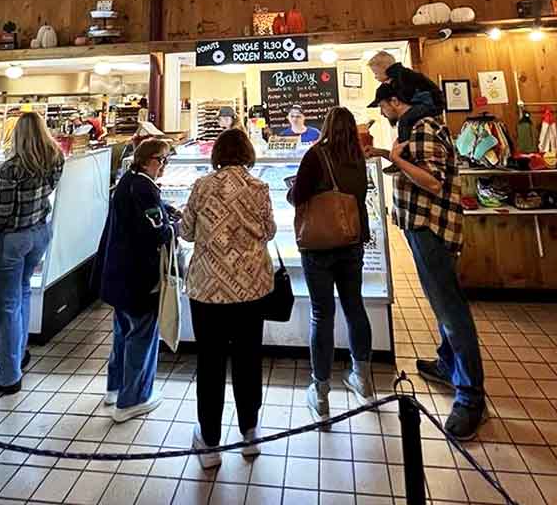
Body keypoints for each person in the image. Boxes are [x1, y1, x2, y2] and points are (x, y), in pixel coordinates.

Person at [367, 82, 486, 441]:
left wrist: (396, 158)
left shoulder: (424, 127)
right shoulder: (416, 126)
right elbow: (417, 167)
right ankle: (448, 364)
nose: (381, 113)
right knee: (441, 305)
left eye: (382, 106)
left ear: (394, 100)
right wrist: (386, 154)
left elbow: (432, 181)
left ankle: (470, 398)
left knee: (451, 310)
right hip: (422, 227)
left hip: (431, 228)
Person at [181, 129, 276, 469]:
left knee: (210, 363)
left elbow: (186, 232)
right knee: (248, 359)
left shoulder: (202, 186)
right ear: (247, 153)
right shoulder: (259, 187)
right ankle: (250, 434)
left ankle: (210, 443)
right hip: (250, 289)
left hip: (208, 290)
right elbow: (269, 231)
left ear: (217, 154)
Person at [288, 107, 373, 423]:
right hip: (352, 241)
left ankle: (321, 393)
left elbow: (298, 196)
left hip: (319, 245)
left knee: (322, 315)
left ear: (325, 127)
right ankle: (362, 379)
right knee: (355, 307)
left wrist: (291, 189)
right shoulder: (358, 157)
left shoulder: (316, 155)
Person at [0, 112, 64, 395]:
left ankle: (7, 375)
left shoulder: (11, 169)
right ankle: (19, 352)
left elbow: (4, 213)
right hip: (39, 233)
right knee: (23, 292)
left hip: (11, 240)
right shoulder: (56, 159)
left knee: (6, 306)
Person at [95, 138, 174, 422]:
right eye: (161, 160)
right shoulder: (144, 187)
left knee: (123, 332)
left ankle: (115, 388)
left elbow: (145, 213)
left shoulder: (128, 181)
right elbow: (156, 230)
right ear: (147, 160)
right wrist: (174, 227)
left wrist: (166, 209)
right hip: (138, 275)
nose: (164, 166)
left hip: (118, 274)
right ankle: (133, 400)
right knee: (141, 334)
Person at [367, 51, 444, 173]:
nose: (375, 77)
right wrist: (383, 153)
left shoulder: (401, 76)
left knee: (404, 120)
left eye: (376, 73)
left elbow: (430, 176)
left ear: (395, 100)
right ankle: (402, 157)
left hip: (430, 103)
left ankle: (403, 156)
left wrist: (399, 160)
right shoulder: (400, 75)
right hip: (429, 102)